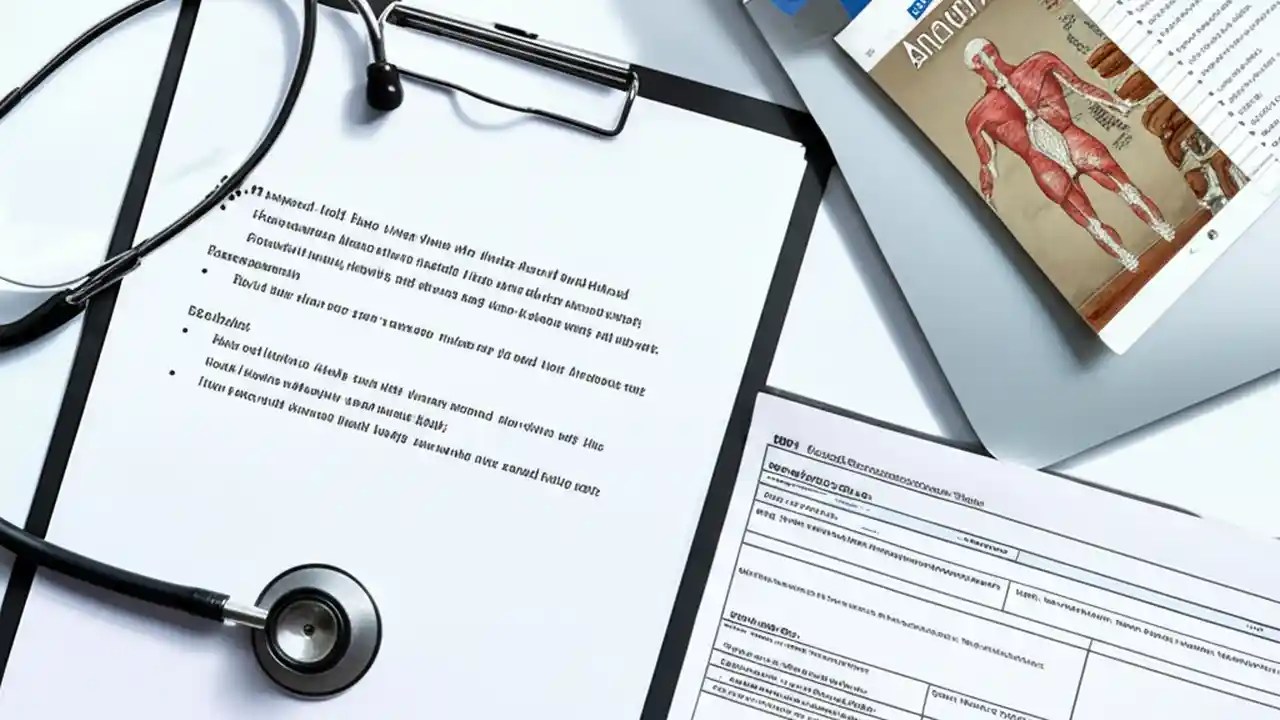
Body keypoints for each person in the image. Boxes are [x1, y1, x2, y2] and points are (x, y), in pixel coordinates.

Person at [963, 38, 1175, 273]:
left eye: (985, 53)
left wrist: (1118, 104)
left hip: (1060, 152)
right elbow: (987, 163)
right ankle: (1141, 249)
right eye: (983, 56)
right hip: (1056, 156)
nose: (987, 59)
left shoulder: (1033, 69)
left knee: (1115, 202)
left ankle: (1151, 241)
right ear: (982, 59)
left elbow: (987, 165)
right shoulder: (1031, 70)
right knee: (1100, 216)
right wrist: (987, 197)